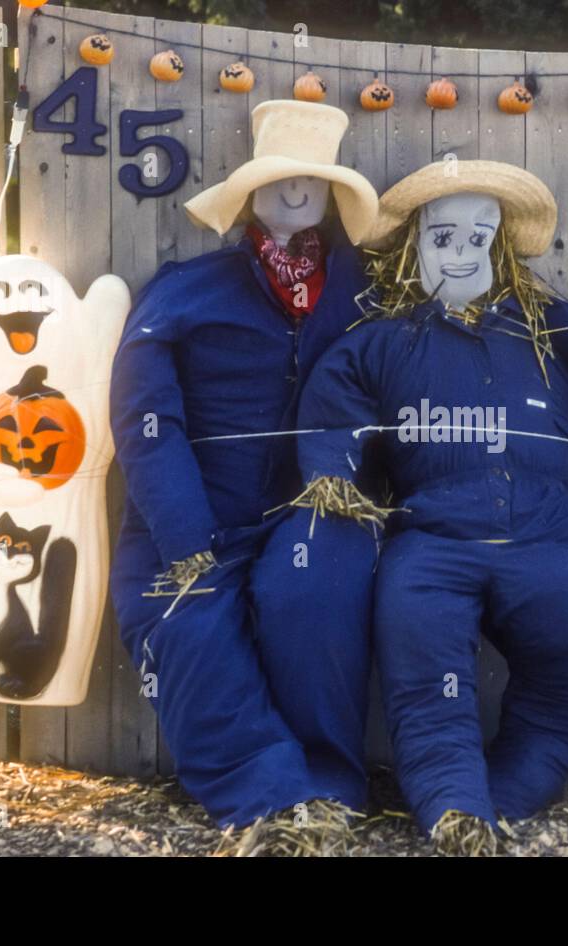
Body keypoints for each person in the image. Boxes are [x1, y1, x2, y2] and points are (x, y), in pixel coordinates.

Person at [292, 160, 568, 854]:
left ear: (498, 250)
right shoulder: (384, 341)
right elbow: (332, 407)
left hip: (552, 538)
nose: (460, 255)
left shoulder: (545, 341)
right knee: (425, 667)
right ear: (413, 248)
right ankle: (453, 808)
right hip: (431, 537)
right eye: (443, 239)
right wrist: (333, 478)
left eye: (477, 240)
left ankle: (498, 802)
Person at [107, 100, 379, 855]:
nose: (296, 194)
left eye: (313, 183)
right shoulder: (186, 291)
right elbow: (143, 415)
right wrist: (186, 534)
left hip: (310, 511)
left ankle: (326, 788)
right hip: (191, 515)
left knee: (317, 592)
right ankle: (274, 801)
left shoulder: (363, 298)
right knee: (190, 624)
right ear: (252, 191)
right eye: (281, 179)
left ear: (332, 199)